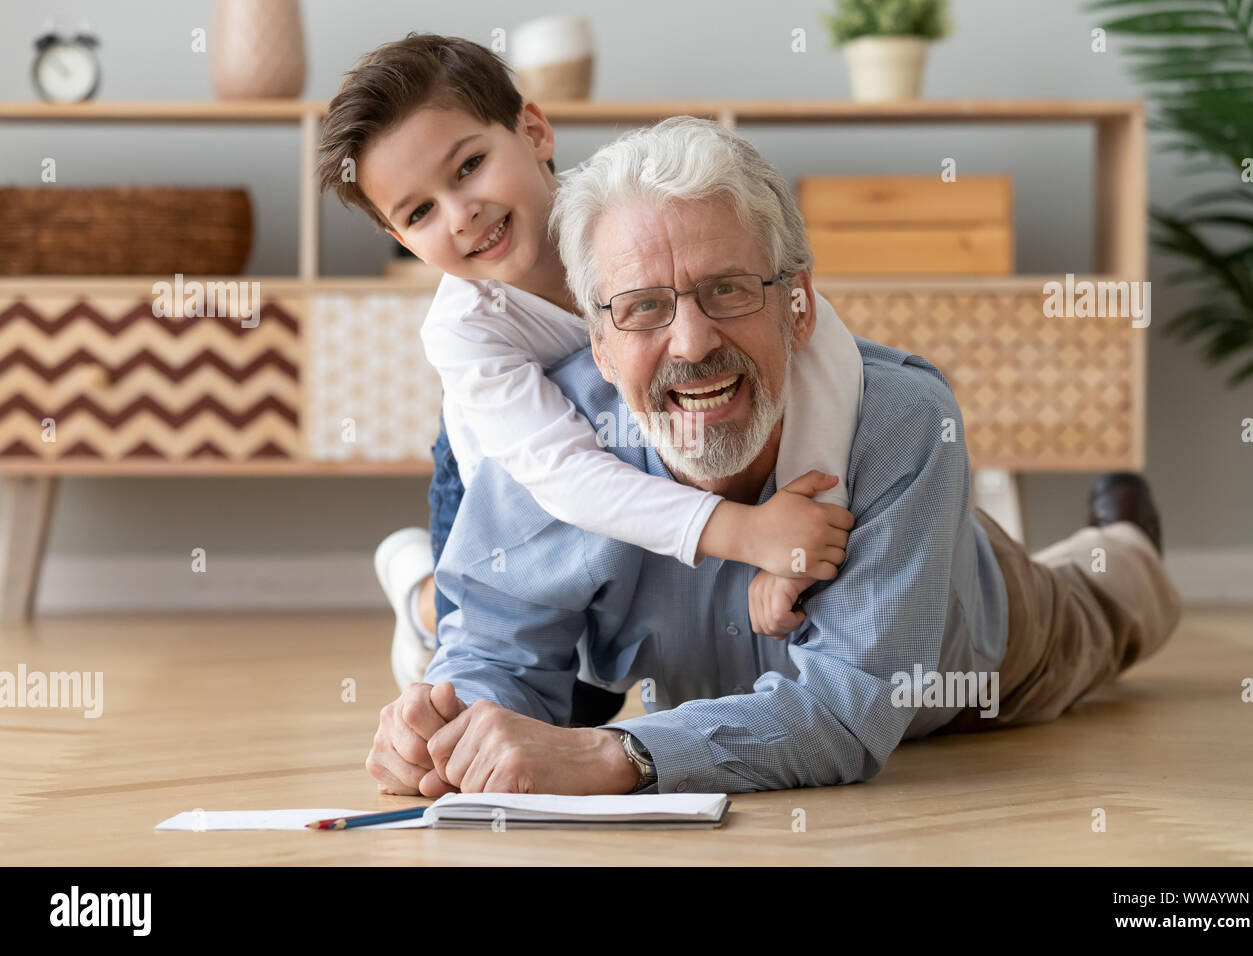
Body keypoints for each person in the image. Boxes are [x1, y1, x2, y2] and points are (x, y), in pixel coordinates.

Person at [361, 116, 1183, 796]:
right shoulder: (553, 441)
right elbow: (500, 647)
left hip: (985, 653)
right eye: (644, 308)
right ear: (599, 342)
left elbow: (848, 710)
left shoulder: (900, 419)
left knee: (1104, 607)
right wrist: (450, 724)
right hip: (728, 706)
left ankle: (1128, 542)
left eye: (729, 289)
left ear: (798, 307)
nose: (692, 341)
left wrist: (619, 755)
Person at [316, 34, 862, 712]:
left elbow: (819, 339)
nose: (461, 215)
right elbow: (566, 481)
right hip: (509, 484)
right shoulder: (463, 330)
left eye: (469, 166)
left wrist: (811, 520)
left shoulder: (631, 211)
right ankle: (420, 595)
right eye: (420, 212)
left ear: (535, 130)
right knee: (572, 701)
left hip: (646, 444)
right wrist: (749, 536)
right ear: (403, 241)